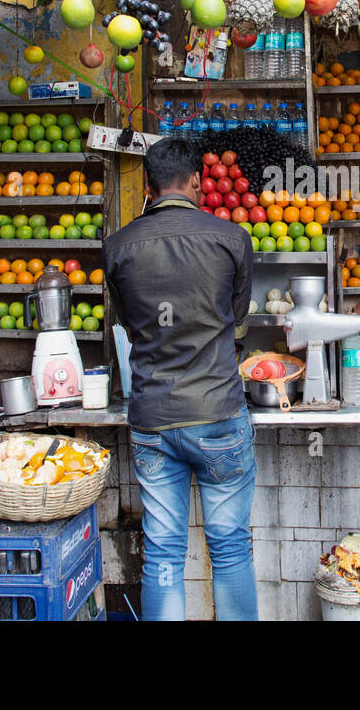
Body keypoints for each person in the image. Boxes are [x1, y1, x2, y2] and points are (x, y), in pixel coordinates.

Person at [102, 137, 257, 620]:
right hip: (218, 414)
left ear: (148, 186)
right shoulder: (232, 239)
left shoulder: (118, 247)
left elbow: (128, 323)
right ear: (196, 182)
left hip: (153, 419)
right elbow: (235, 320)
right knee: (230, 548)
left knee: (163, 553)